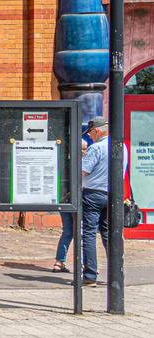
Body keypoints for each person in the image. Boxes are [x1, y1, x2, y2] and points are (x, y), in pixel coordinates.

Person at [53, 125, 92, 272]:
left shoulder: (65, 163)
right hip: (77, 199)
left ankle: (59, 262)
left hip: (64, 199)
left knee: (68, 231)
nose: (86, 151)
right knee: (82, 232)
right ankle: (85, 264)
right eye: (84, 149)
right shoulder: (83, 164)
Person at [79, 116, 112, 285]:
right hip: (113, 195)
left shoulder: (96, 147)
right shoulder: (121, 147)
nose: (89, 137)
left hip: (93, 194)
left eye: (90, 133)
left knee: (90, 233)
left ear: (96, 131)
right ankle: (116, 272)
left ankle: (90, 275)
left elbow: (83, 171)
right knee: (108, 234)